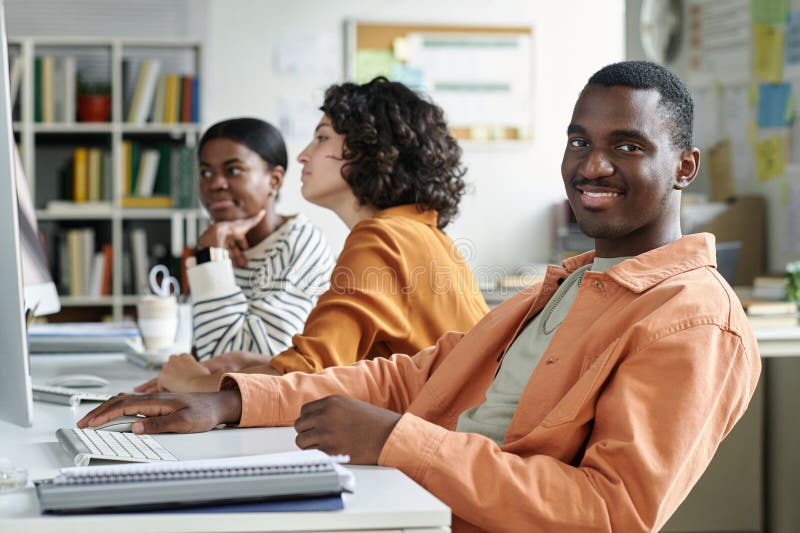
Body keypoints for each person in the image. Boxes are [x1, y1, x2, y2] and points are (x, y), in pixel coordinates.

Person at [86, 62, 761, 532]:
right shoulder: (574, 280)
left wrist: (398, 441)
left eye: (627, 145)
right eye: (580, 141)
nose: (592, 163)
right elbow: (411, 374)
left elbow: (611, 512)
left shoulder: (690, 318)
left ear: (684, 166)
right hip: (417, 496)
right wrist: (229, 400)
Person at [136, 77, 489, 393]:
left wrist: (195, 383)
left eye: (321, 138)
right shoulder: (420, 233)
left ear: (369, 151)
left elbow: (307, 376)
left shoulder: (382, 238)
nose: (303, 156)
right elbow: (347, 369)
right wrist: (255, 361)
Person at [184, 117, 334, 361]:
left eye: (233, 170)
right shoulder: (223, 243)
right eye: (205, 172)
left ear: (274, 180)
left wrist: (210, 257)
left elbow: (244, 361)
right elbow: (203, 348)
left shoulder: (298, 243)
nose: (215, 184)